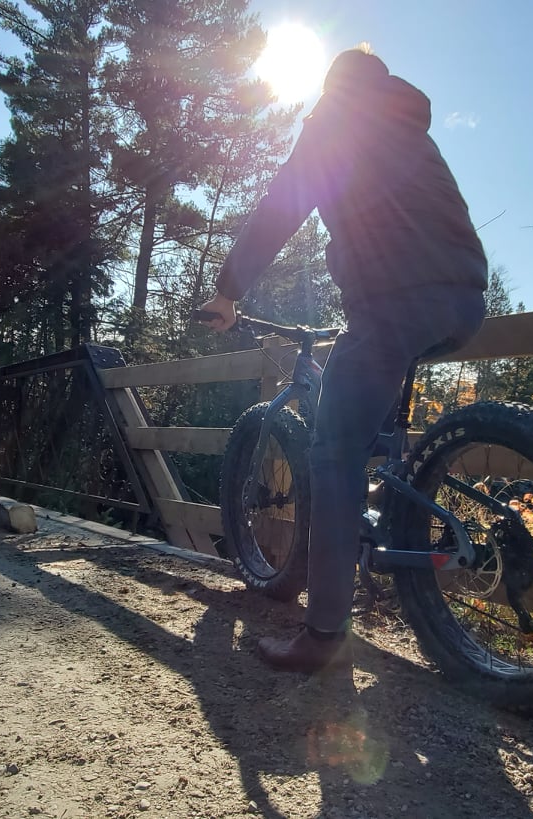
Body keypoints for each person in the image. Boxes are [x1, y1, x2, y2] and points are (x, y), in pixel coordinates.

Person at [198, 46, 488, 673]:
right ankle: (402, 519)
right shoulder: (409, 127)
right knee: (373, 431)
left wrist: (228, 290)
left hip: (393, 302)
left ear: (333, 89)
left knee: (332, 455)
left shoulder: (337, 123)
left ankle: (324, 635)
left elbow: (282, 206)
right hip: (462, 301)